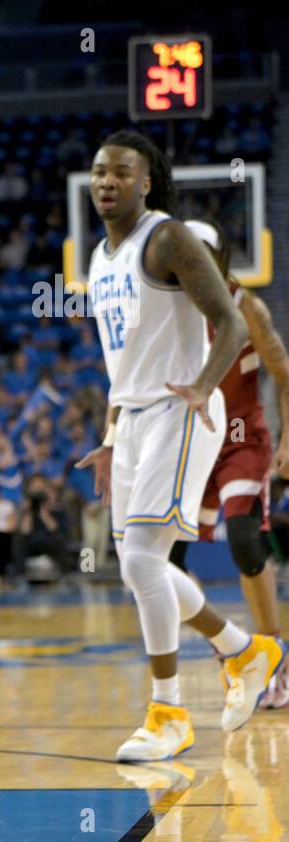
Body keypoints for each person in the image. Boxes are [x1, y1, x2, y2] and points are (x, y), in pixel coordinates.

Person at [74, 130, 281, 762]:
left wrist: (202, 385)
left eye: (122, 172)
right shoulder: (101, 259)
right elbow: (123, 361)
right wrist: (111, 437)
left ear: (147, 182)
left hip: (181, 408)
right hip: (133, 419)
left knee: (141, 562)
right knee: (144, 570)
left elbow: (229, 318)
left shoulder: (166, 237)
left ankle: (169, 712)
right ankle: (245, 652)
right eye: (100, 171)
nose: (107, 180)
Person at [166, 219, 289, 709]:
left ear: (218, 261)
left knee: (243, 539)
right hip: (189, 447)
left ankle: (276, 652)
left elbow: (284, 374)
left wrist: (287, 443)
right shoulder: (168, 311)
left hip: (242, 442)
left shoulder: (247, 307)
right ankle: (234, 651)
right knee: (166, 563)